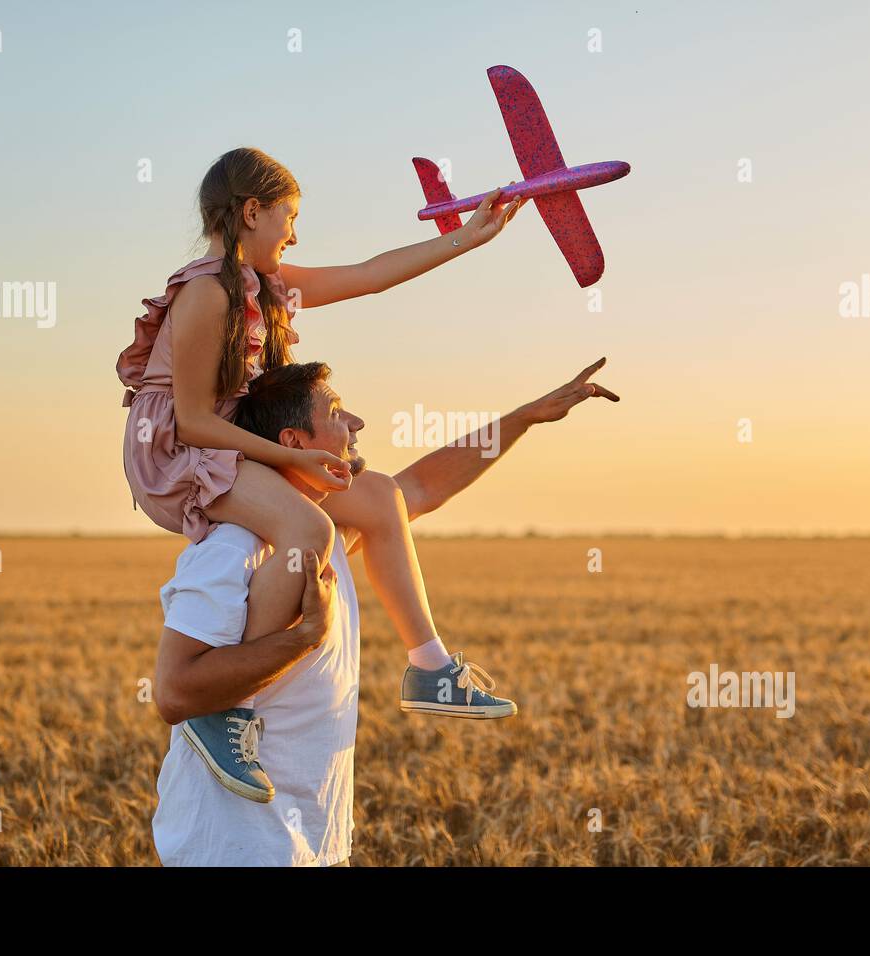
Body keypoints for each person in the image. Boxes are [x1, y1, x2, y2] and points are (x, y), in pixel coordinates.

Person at [118, 147, 527, 801]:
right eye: (290, 216)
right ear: (252, 213)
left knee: (380, 498)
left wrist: (467, 240)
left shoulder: (267, 286)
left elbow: (368, 275)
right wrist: (292, 459)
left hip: (240, 441)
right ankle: (222, 703)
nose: (295, 233)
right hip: (178, 451)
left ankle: (429, 668)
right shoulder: (205, 293)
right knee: (306, 528)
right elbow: (193, 420)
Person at [151, 358, 618, 865]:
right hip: (233, 849)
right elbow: (175, 692)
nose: (356, 423)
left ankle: (430, 669)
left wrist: (524, 418)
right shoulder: (232, 548)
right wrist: (306, 636)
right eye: (335, 412)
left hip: (315, 846)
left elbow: (415, 491)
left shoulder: (324, 539)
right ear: (294, 442)